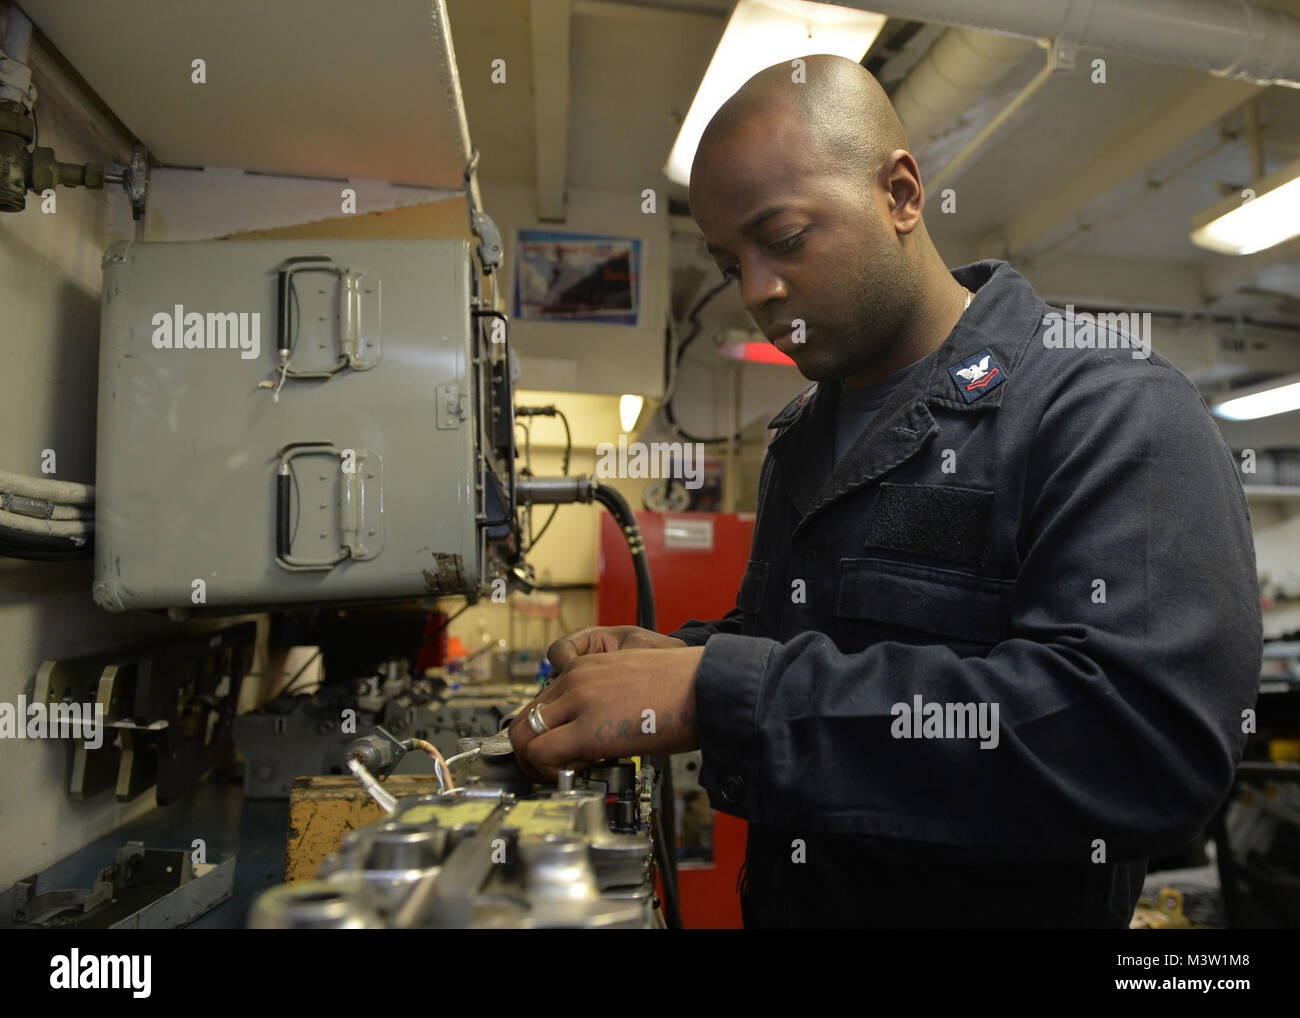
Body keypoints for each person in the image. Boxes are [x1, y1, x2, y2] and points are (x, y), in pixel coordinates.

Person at [508, 54, 1262, 928]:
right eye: (727, 261)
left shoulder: (1108, 409)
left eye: (784, 239)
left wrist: (712, 691)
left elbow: (1137, 745)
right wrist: (678, 659)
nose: (757, 291)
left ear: (902, 195)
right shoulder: (804, 439)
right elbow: (819, 643)